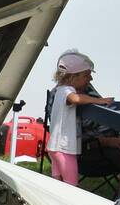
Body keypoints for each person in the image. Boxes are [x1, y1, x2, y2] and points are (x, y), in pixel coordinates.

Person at [47, 50, 114, 186]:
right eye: (86, 76)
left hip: (54, 147)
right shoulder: (67, 91)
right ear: (73, 77)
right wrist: (98, 101)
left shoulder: (59, 90)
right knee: (71, 185)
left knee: (57, 184)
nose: (90, 79)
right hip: (64, 148)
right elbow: (75, 98)